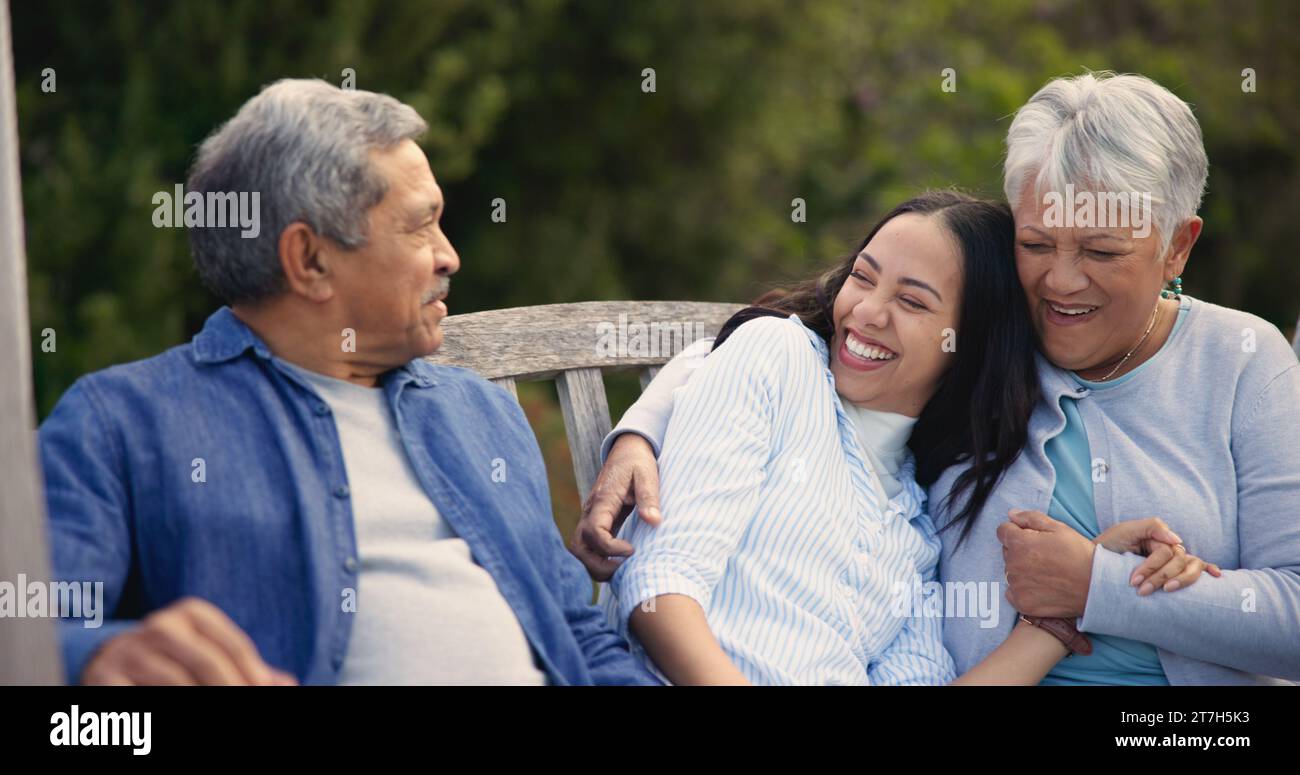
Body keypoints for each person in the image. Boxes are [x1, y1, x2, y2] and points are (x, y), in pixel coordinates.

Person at [575, 72, 1300, 685]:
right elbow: (791, 335)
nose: (1061, 280)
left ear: (1178, 245)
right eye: (1036, 242)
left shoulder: (1240, 359)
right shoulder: (994, 337)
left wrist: (1095, 588)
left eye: (1102, 251)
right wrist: (641, 429)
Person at [42, 79, 658, 686]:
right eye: (421, 226)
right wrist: (99, 657)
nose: (450, 257)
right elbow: (31, 629)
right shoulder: (120, 423)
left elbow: (576, 632)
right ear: (310, 261)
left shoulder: (480, 412)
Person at [600, 191, 1214, 685]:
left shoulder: (914, 526)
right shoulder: (778, 359)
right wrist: (636, 433)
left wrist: (1063, 609)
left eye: (912, 303)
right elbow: (659, 587)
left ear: (966, 346)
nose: (867, 312)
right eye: (862, 278)